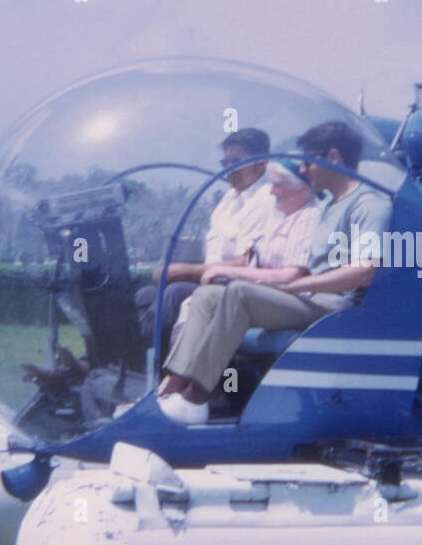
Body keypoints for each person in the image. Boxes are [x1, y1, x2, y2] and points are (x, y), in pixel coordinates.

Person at [158, 119, 392, 422]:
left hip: (335, 307)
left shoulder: (369, 206)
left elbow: (364, 272)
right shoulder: (330, 206)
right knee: (207, 296)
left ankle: (196, 397)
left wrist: (297, 286)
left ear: (333, 157)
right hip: (311, 299)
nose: (304, 171)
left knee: (240, 293)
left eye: (308, 163)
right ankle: (174, 383)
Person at [134, 127, 273, 345]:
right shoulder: (228, 201)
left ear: (261, 164)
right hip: (214, 282)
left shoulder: (265, 200)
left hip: (243, 289)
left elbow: (246, 262)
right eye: (224, 163)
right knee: (145, 294)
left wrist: (182, 271)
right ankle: (123, 361)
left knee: (174, 292)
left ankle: (152, 368)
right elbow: (214, 258)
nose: (229, 169)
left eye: (236, 161)